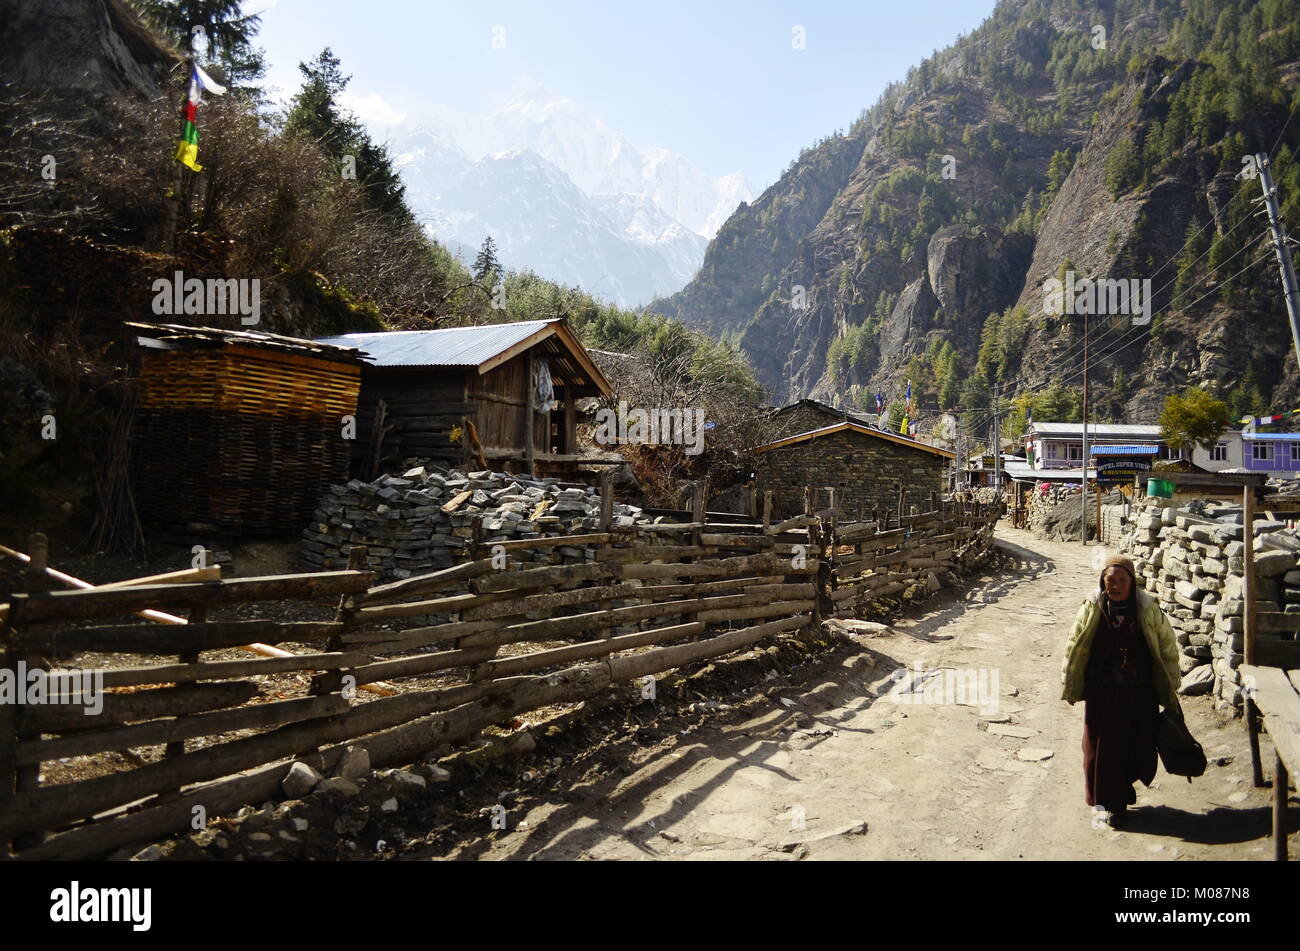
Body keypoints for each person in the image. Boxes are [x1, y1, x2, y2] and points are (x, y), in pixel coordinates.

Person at [1060, 555, 1181, 829]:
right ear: (1102, 582)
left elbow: (1167, 645)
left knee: (1133, 746)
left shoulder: (1147, 609)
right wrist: (1070, 684)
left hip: (1138, 693)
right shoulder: (1092, 607)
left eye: (1121, 581)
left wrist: (1171, 683)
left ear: (1132, 582)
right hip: (1101, 693)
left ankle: (1122, 794)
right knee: (1098, 751)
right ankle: (1108, 804)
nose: (1114, 585)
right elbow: (1073, 645)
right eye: (1109, 580)